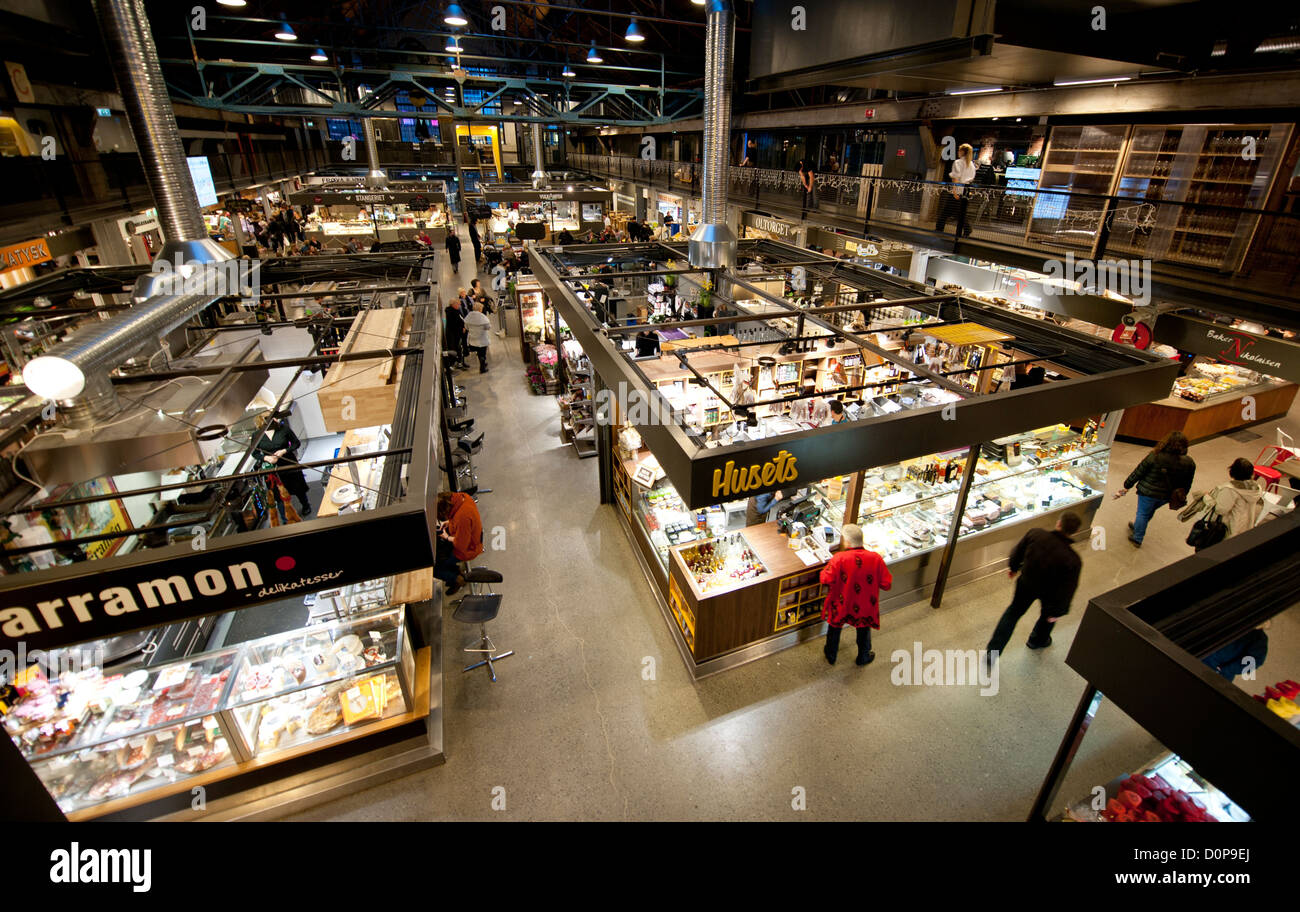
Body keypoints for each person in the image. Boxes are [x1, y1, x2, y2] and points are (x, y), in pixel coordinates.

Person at [985, 512, 1083, 665]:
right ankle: (1037, 640)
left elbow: (1018, 550)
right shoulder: (1073, 560)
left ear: (1058, 523)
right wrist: (1058, 611)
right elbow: (1068, 589)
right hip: (1050, 593)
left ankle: (992, 653)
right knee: (1047, 618)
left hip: (1027, 583)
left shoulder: (1036, 534)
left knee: (1012, 614)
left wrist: (1013, 567)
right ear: (1074, 531)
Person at [819, 523, 891, 666]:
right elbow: (886, 584)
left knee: (835, 628)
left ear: (847, 541)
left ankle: (831, 655)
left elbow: (825, 578)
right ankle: (863, 656)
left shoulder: (839, 558)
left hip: (842, 602)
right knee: (864, 629)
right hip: (865, 603)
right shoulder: (875, 558)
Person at [1117, 431, 1196, 548]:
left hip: (1147, 492)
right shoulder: (1189, 462)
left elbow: (1139, 472)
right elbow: (1187, 482)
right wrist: (1182, 495)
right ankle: (1139, 526)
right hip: (1167, 495)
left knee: (1143, 513)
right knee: (1149, 511)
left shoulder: (1155, 456)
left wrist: (1127, 485)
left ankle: (1137, 537)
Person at [1178, 457, 1263, 546]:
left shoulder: (1230, 490)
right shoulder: (1256, 488)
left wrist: (1206, 497)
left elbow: (1220, 509)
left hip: (1229, 529)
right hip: (1245, 526)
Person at [253, 410, 312, 517]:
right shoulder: (257, 435)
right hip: (272, 468)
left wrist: (284, 451)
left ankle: (306, 505)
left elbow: (296, 443)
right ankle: (285, 516)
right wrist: (266, 458)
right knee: (277, 492)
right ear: (265, 422)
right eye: (273, 418)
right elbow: (254, 453)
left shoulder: (283, 429)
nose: (276, 420)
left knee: (298, 487)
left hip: (288, 462)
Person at [434, 491, 483, 596]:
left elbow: (461, 545)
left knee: (435, 568)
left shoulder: (463, 517)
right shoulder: (463, 497)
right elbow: (456, 518)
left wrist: (446, 537)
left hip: (468, 549)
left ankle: (457, 579)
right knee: (442, 558)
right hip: (469, 537)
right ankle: (455, 571)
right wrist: (448, 523)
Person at [936, 143, 976, 235]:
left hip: (957, 190)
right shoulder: (971, 165)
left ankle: (939, 229)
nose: (958, 152)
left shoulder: (958, 162)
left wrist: (954, 192)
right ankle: (966, 229)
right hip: (966, 191)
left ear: (962, 151)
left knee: (946, 212)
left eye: (959, 150)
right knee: (961, 212)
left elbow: (955, 178)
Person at [463, 300, 492, 373]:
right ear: (480, 309)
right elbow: (488, 327)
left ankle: (483, 363)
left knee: (479, 353)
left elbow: (466, 327)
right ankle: (482, 368)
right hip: (482, 339)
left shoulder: (469, 316)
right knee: (482, 353)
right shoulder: (483, 317)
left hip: (473, 339)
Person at [444, 297, 469, 368]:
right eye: (458, 304)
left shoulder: (456, 310)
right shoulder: (451, 313)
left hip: (459, 334)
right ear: (453, 304)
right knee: (457, 349)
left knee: (461, 349)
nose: (459, 305)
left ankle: (461, 362)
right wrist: (462, 329)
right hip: (455, 336)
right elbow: (453, 325)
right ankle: (457, 363)